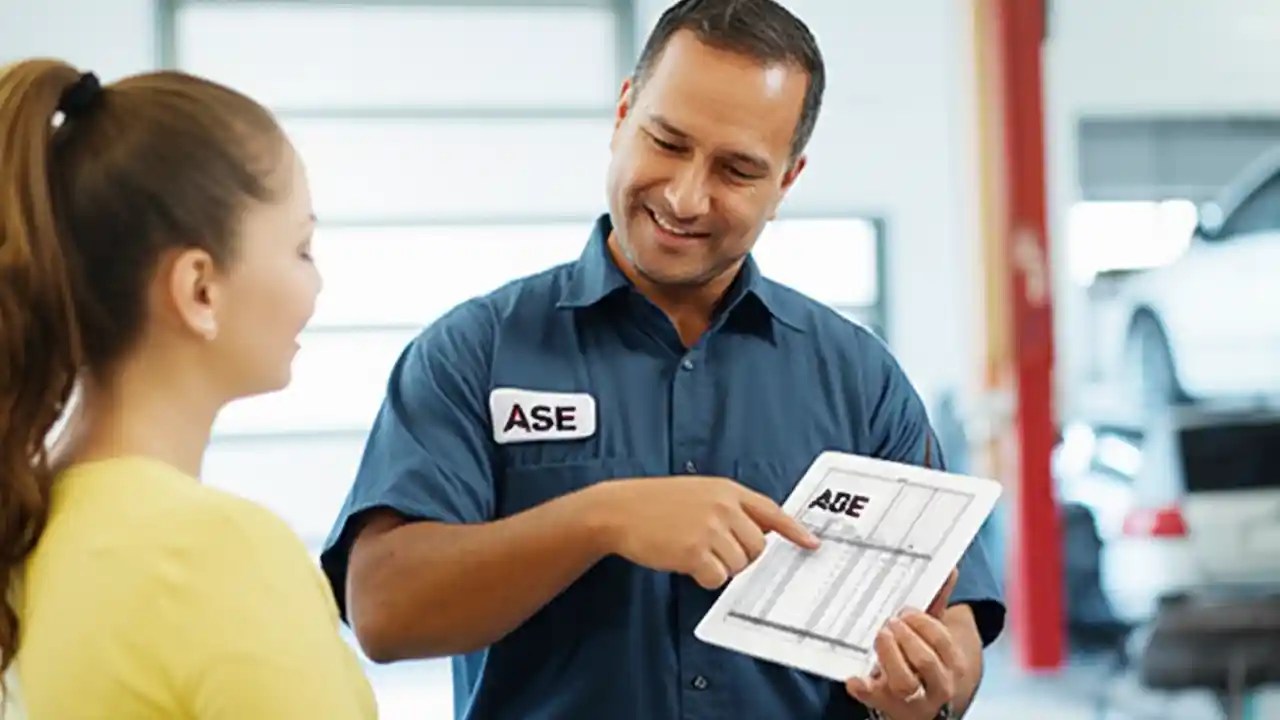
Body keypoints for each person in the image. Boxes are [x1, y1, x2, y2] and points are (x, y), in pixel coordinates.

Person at [321, 1, 1004, 718]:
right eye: (668, 142)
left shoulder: (858, 378)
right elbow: (384, 611)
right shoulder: (475, 352)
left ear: (786, 182)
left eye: (736, 170)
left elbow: (955, 619)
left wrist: (929, 684)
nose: (685, 197)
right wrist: (602, 518)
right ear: (623, 114)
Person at [0, 59, 376, 718]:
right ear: (200, 289)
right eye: (302, 248)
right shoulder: (218, 552)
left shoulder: (25, 528)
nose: (316, 284)